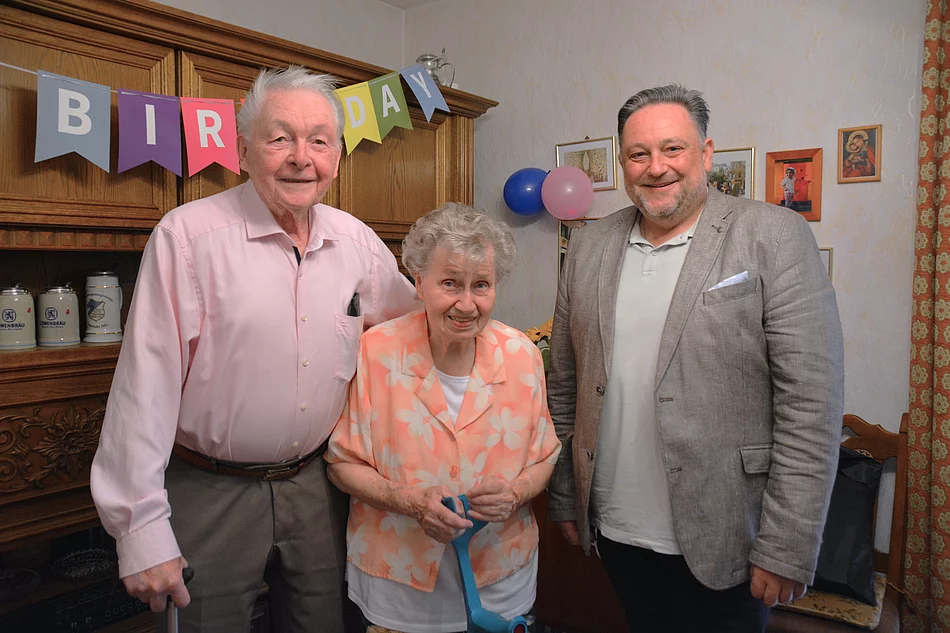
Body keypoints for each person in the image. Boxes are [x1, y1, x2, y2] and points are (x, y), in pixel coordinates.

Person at [90, 66, 418, 633]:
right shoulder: (187, 237)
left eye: (319, 140)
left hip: (319, 484)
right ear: (243, 150)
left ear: (337, 155)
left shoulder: (358, 242)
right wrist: (139, 527)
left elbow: (412, 336)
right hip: (207, 490)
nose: (300, 156)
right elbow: (145, 388)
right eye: (279, 137)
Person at [546, 84, 844, 633]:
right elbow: (564, 384)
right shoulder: (588, 246)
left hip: (727, 536)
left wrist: (788, 543)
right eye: (638, 154)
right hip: (614, 529)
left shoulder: (773, 236)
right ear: (623, 161)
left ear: (706, 155)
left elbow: (811, 407)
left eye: (672, 149)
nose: (656, 167)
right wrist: (567, 494)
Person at [325, 203, 561, 633]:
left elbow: (544, 456)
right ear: (419, 281)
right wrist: (410, 501)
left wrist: (514, 493)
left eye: (482, 285)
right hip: (400, 580)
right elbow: (342, 464)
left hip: (502, 575)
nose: (467, 304)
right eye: (450, 283)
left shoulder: (522, 356)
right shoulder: (375, 353)